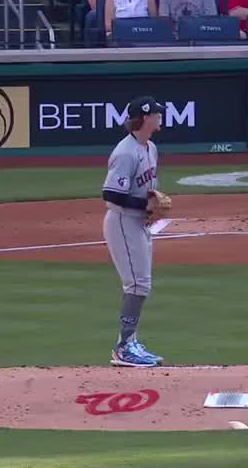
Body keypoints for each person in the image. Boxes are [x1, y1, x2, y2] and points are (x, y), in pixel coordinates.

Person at [103, 95, 168, 368]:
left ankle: (130, 342)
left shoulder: (150, 147)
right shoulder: (125, 152)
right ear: (144, 118)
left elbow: (145, 188)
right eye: (156, 113)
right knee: (137, 285)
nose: (160, 115)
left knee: (142, 284)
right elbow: (110, 194)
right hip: (122, 222)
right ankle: (124, 347)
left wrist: (151, 203)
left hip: (138, 222)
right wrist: (145, 204)